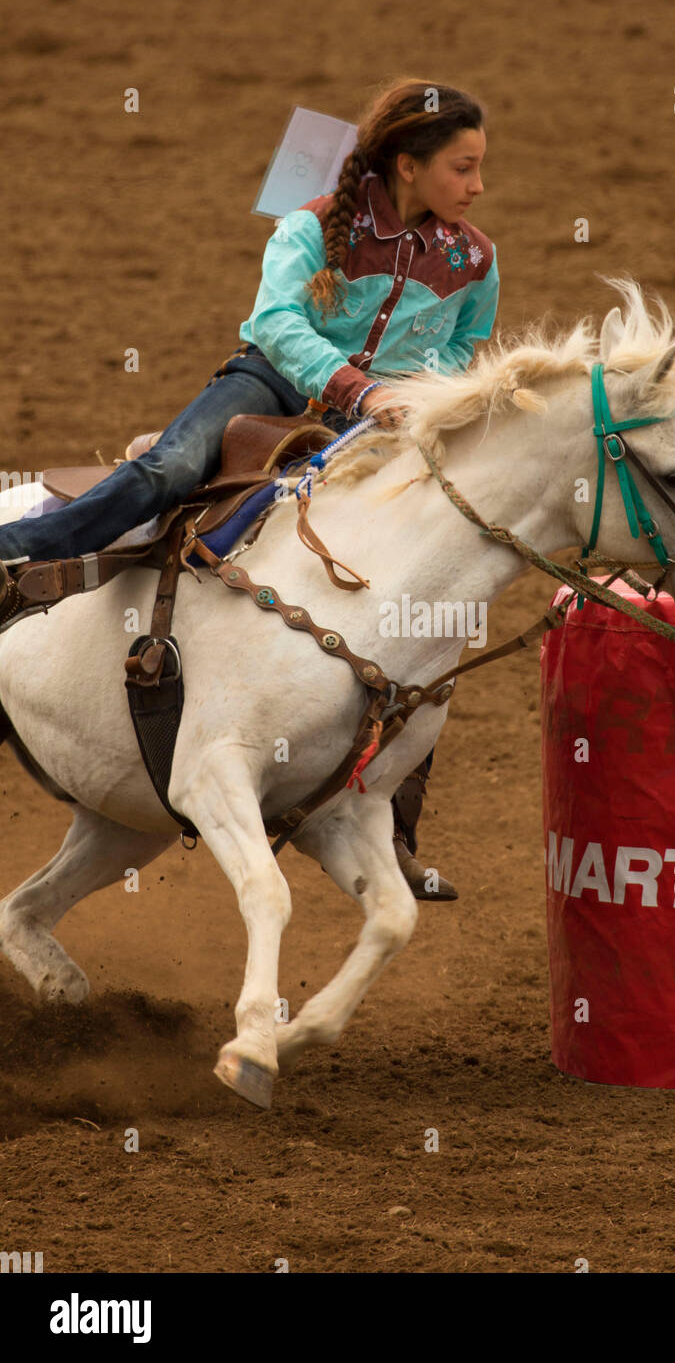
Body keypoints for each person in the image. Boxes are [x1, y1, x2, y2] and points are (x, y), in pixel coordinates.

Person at [0, 77, 500, 900]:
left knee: (417, 592)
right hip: (275, 383)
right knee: (168, 468)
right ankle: (21, 554)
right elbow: (275, 325)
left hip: (376, 422)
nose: (477, 187)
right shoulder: (312, 224)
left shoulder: (474, 259)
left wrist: (414, 396)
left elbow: (465, 353)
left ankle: (395, 827)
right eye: (464, 167)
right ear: (408, 165)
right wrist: (354, 387)